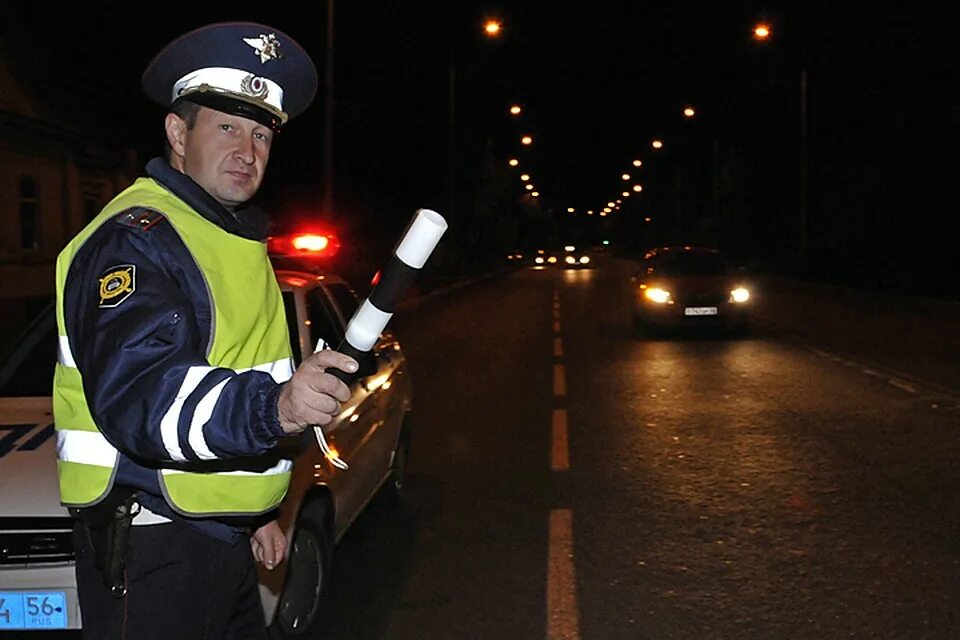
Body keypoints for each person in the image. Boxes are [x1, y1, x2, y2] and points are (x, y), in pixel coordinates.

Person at [52, 21, 358, 639]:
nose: (248, 151)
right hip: (152, 546)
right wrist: (277, 407)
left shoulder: (229, 240)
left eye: (262, 134)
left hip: (215, 538)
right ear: (177, 132)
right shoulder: (137, 240)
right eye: (226, 127)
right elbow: (147, 396)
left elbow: (237, 371)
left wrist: (255, 512)